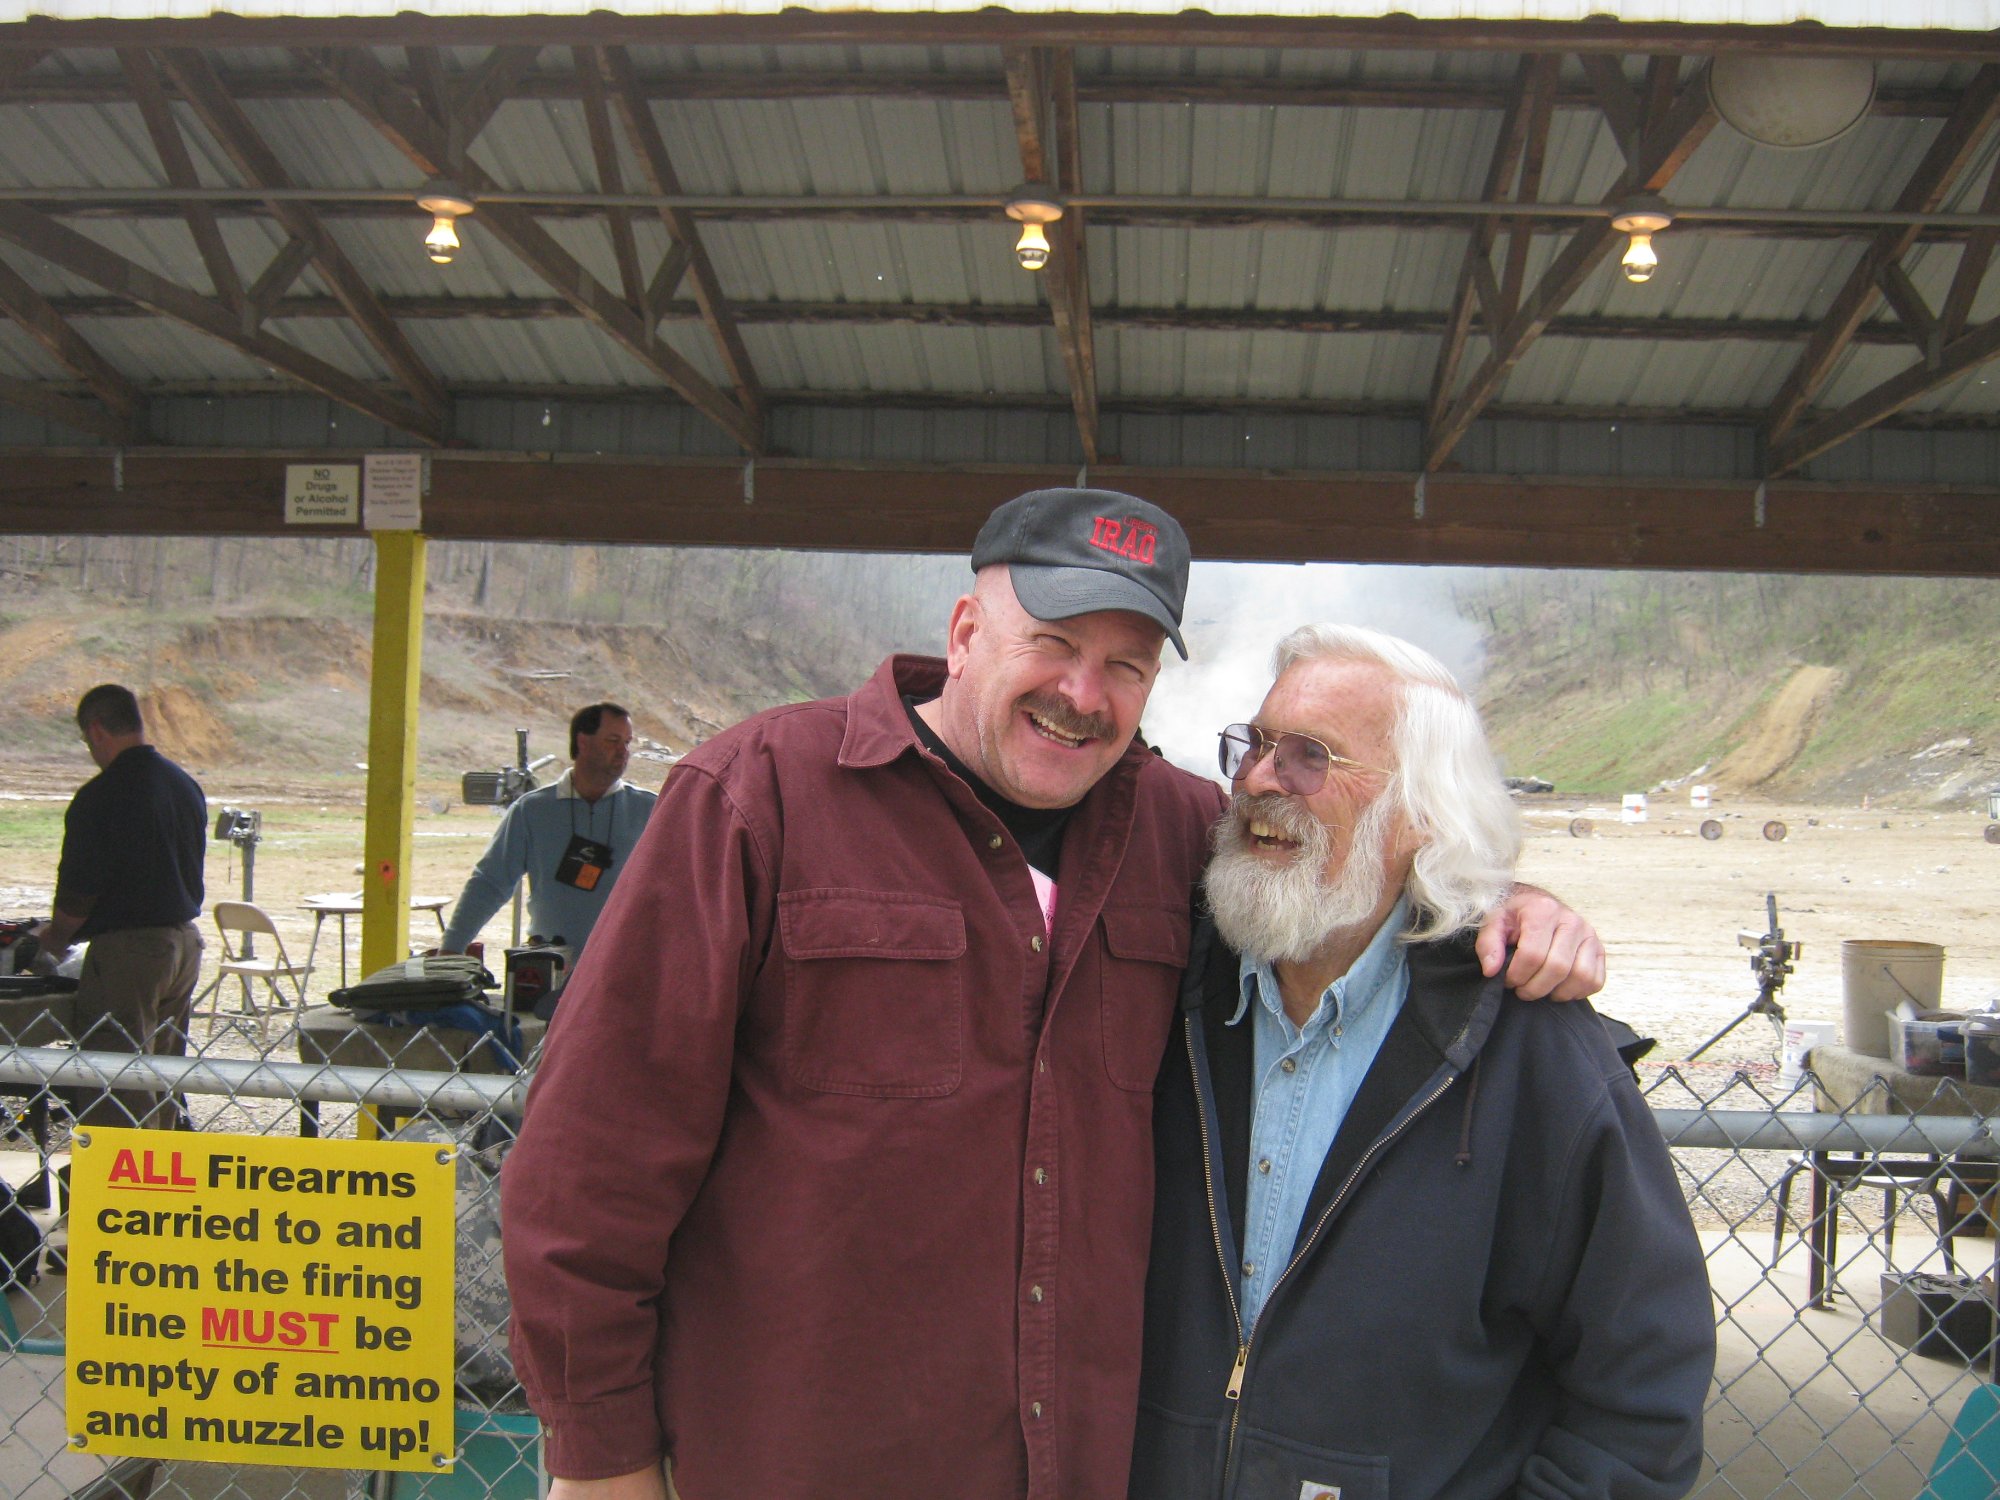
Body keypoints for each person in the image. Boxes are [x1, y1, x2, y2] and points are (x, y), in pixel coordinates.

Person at [500, 489, 1608, 1500]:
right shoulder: (760, 797)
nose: (1084, 695)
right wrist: (601, 1462)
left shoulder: (1179, 832)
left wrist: (1504, 902)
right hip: (793, 1465)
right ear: (966, 633)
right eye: (1055, 643)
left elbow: (1341, 872)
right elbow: (587, 1167)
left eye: (1127, 665)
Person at [1131, 624, 1713, 1500]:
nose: (1256, 779)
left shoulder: (1534, 1053)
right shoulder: (1155, 983)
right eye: (1254, 745)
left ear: (1424, 814)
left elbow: (1641, 1397)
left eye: (1310, 757)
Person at [31, 684, 207, 1129]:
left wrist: (53, 937)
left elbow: (79, 890)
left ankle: (115, 1187)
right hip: (184, 943)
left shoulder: (102, 796)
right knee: (163, 1077)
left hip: (131, 953)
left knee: (115, 1081)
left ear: (96, 731)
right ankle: (155, 1183)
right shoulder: (184, 784)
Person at [439, 703, 656, 979]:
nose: (623, 752)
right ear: (583, 742)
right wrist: (451, 949)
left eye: (627, 743)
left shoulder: (651, 811)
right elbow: (490, 883)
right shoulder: (532, 810)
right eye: (613, 741)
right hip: (550, 969)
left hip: (628, 972)